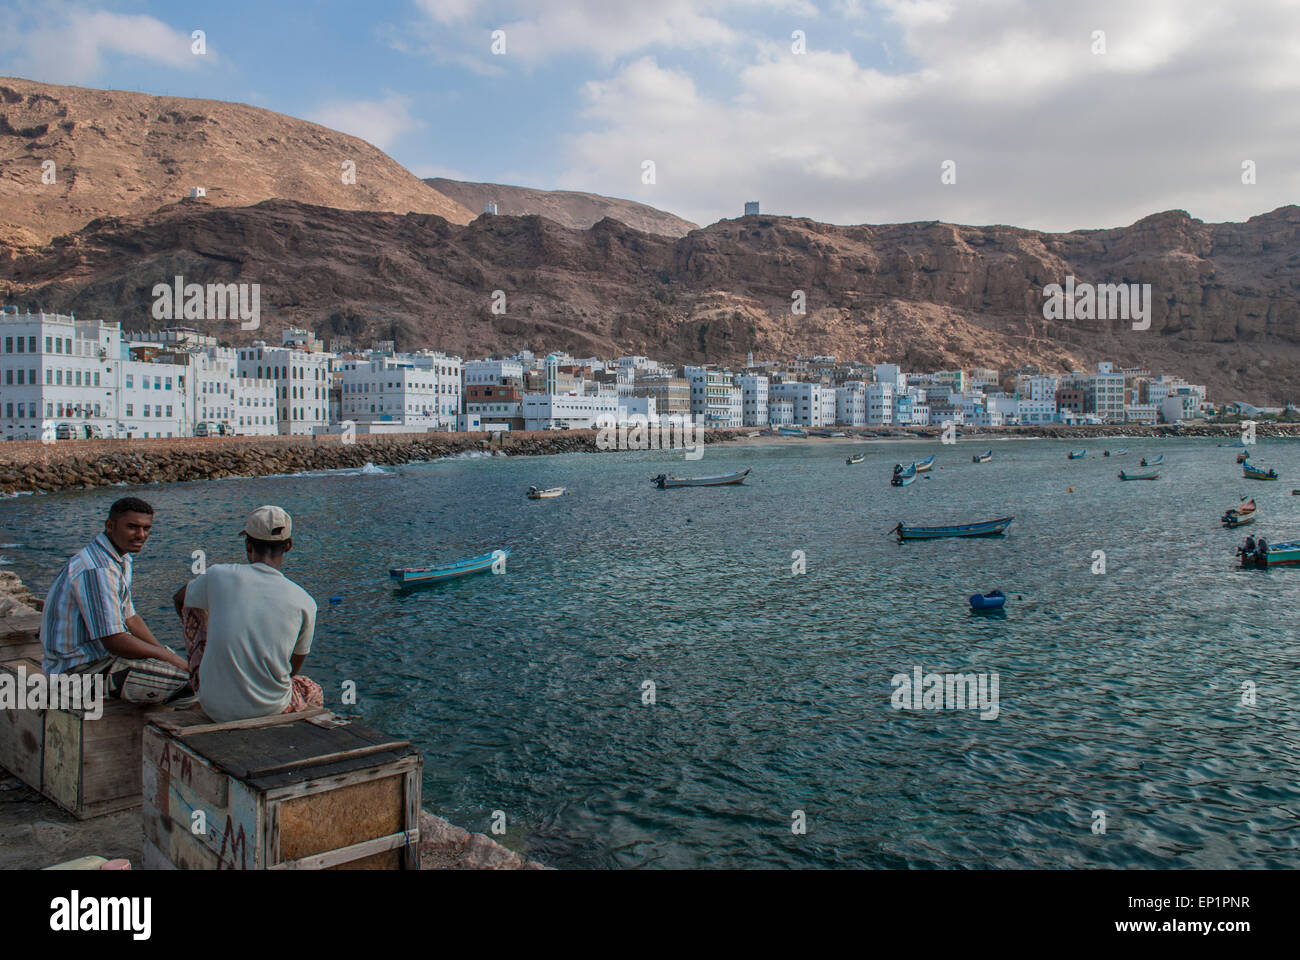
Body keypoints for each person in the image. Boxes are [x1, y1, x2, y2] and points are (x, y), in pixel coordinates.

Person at [172, 505, 322, 722]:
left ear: (248, 544)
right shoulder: (305, 601)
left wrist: (207, 639)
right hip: (270, 707)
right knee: (312, 689)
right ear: (289, 545)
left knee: (192, 602)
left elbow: (179, 598)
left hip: (213, 705)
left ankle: (203, 679)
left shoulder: (217, 575)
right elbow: (293, 668)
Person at [41, 497, 190, 703]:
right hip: (78, 672)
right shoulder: (98, 569)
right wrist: (169, 658)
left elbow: (130, 617)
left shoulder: (120, 559)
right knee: (191, 685)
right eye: (132, 527)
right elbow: (114, 640)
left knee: (178, 667)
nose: (141, 535)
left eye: (146, 528)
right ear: (110, 526)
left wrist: (164, 652)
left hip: (100, 661)